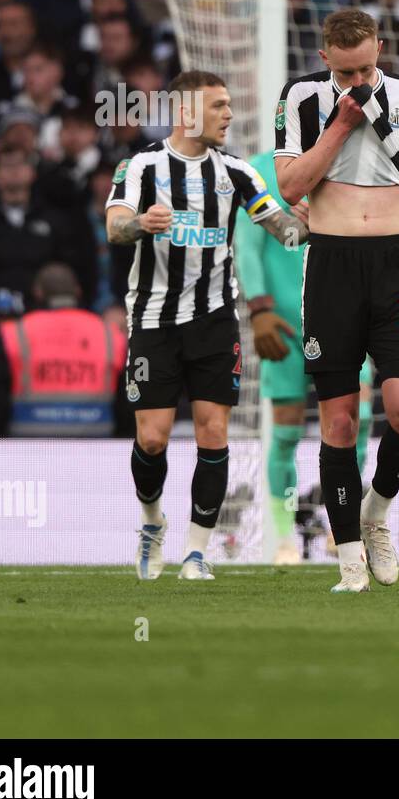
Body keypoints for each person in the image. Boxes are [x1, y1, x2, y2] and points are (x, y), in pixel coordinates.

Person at [275, 8, 399, 593]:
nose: (358, 81)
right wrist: (341, 123)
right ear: (324, 56)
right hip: (330, 266)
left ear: (380, 47)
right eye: (346, 71)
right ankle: (349, 560)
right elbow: (290, 187)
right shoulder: (302, 99)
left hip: (395, 266)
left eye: (367, 68)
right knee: (339, 419)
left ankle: (375, 511)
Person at [106, 71, 308, 582]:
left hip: (216, 321)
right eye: (218, 105)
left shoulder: (237, 172)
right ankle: (152, 521)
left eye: (228, 105)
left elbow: (280, 228)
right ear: (186, 112)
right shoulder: (143, 165)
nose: (229, 114)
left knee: (213, 432)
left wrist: (302, 224)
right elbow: (114, 226)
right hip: (153, 319)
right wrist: (139, 225)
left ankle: (196, 552)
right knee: (151, 439)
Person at [234, 146, 377, 565]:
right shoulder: (258, 171)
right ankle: (283, 537)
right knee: (286, 432)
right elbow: (247, 246)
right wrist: (259, 308)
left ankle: (343, 522)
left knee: (359, 417)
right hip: (285, 323)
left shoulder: (345, 161)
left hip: (342, 316)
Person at [0, 261, 127, 437]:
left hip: (27, 452)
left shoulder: (15, 334)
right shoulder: (111, 336)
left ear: (38, 292)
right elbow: (129, 404)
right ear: (77, 291)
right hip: (98, 450)